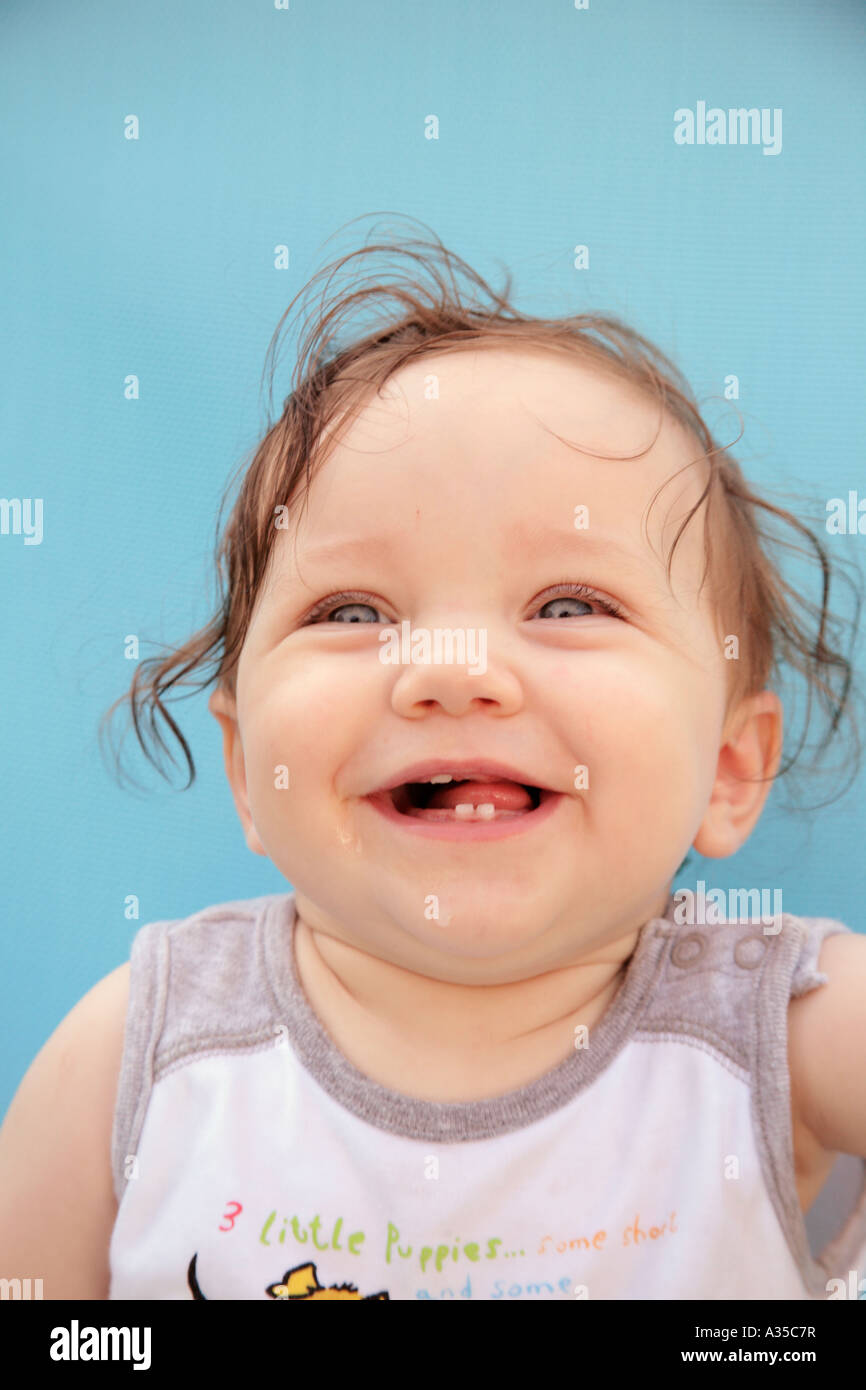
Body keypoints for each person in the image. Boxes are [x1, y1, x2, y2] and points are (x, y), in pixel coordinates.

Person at [3, 223, 866, 1300]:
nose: (452, 670)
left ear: (731, 768)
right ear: (245, 772)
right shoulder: (142, 1053)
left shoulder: (774, 1027)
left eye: (567, 604)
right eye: (352, 610)